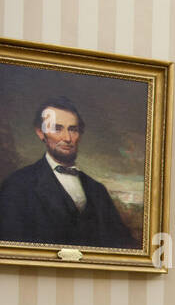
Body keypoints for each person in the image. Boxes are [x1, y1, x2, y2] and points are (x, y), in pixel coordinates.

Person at [0, 97, 138, 248]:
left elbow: (124, 246)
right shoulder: (17, 185)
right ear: (41, 132)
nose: (67, 138)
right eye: (57, 129)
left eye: (73, 129)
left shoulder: (97, 190)